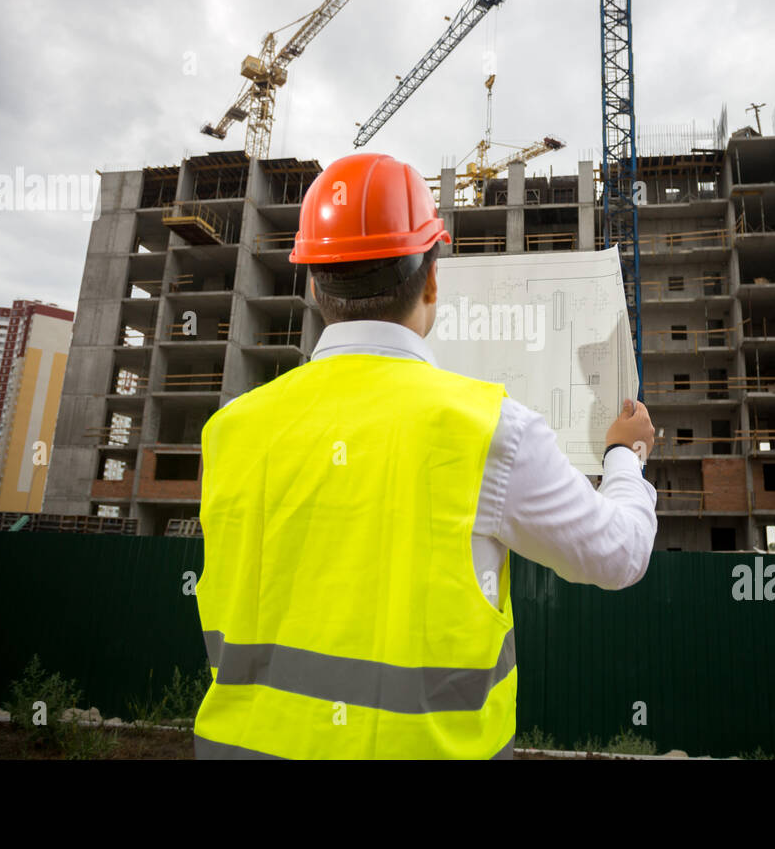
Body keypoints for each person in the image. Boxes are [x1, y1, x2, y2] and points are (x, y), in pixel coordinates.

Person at [193, 152, 657, 759]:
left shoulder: (230, 431)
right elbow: (619, 554)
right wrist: (625, 457)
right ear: (432, 280)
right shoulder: (490, 431)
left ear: (312, 281)